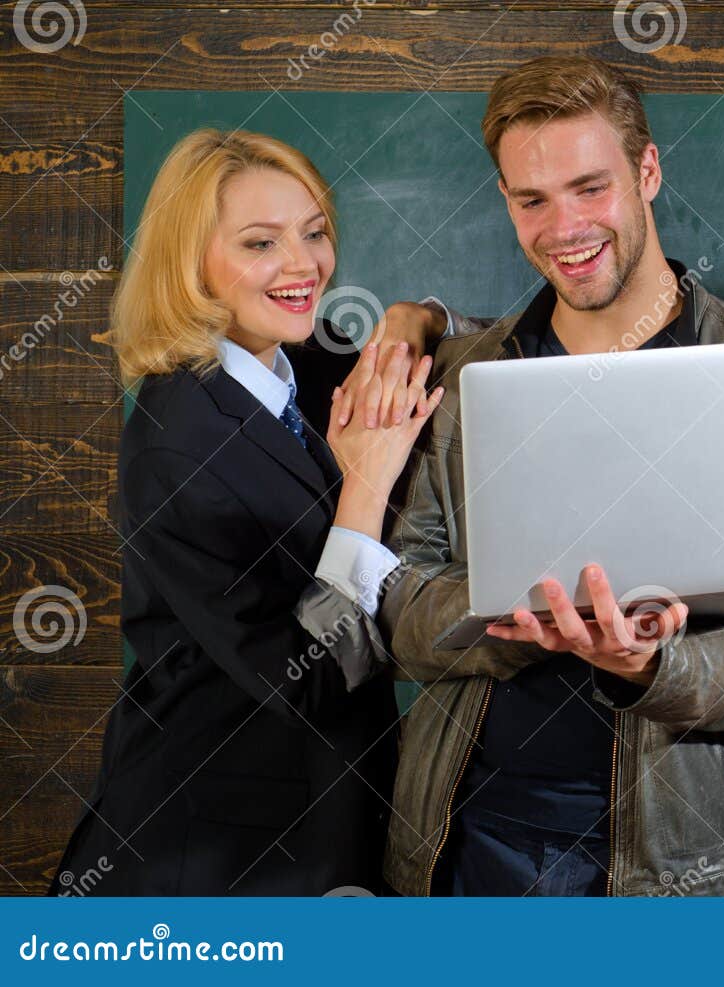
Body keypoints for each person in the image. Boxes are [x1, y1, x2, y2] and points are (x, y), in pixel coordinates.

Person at [373, 55, 724, 897]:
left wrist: (649, 664)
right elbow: (400, 606)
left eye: (590, 188)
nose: (564, 227)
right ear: (507, 202)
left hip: (674, 874)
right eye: (533, 200)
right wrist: (516, 618)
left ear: (648, 170)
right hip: (464, 846)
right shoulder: (465, 372)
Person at [49, 128, 444, 896]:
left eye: (315, 232)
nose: (304, 266)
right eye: (262, 243)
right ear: (193, 262)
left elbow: (422, 350)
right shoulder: (174, 444)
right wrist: (363, 494)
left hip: (333, 818)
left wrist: (409, 317)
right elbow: (309, 679)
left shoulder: (305, 356)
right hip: (215, 852)